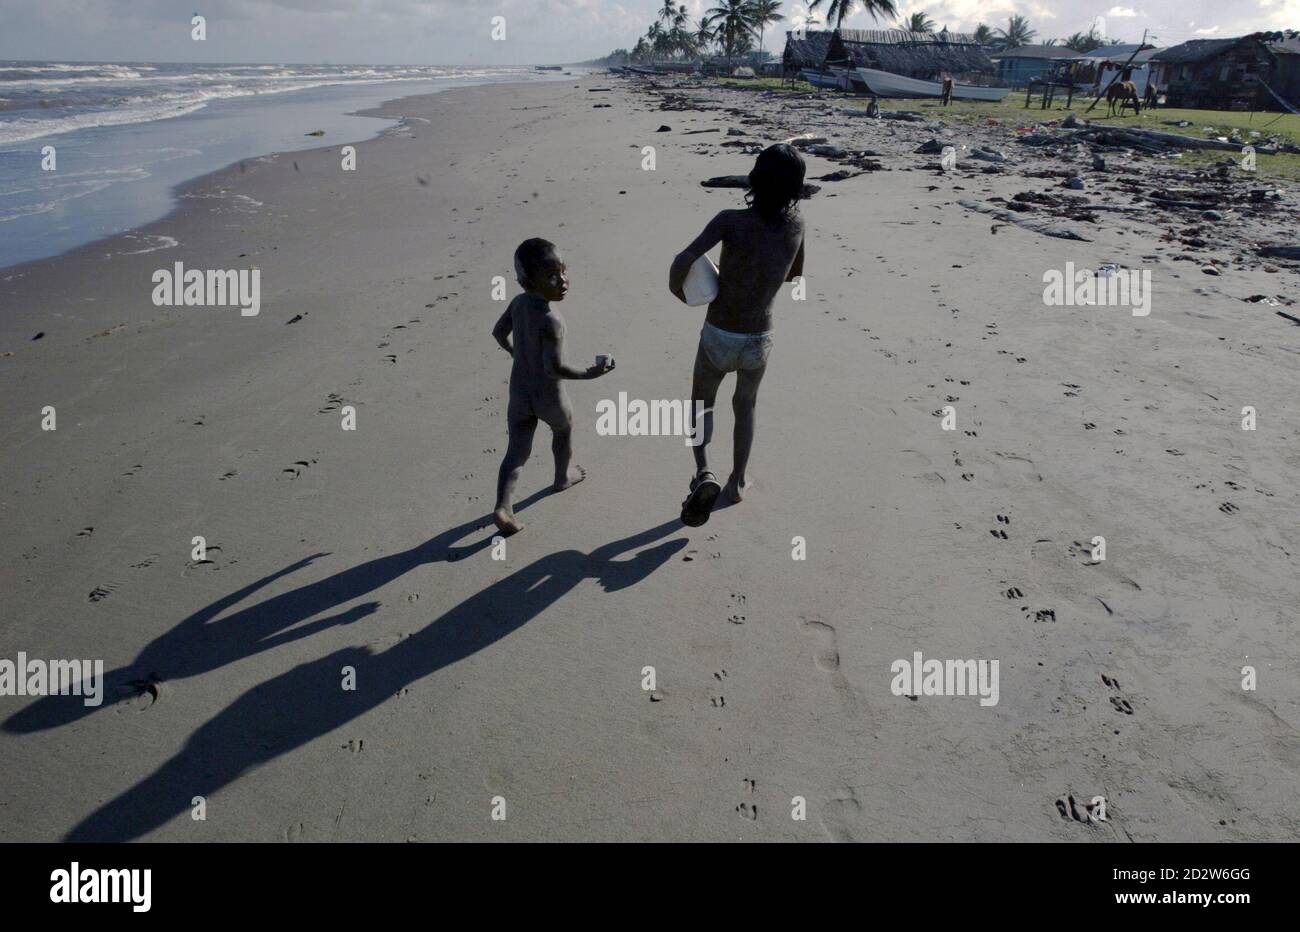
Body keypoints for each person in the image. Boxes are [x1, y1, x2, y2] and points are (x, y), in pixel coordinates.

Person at [668, 145, 807, 527]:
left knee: (701, 404)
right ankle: (738, 479)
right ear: (796, 188)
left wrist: (680, 291)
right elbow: (794, 275)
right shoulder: (798, 225)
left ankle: (704, 473)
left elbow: (683, 260)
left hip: (719, 333)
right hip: (759, 338)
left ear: (754, 179)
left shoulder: (730, 220)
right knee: (745, 405)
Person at [491, 238, 613, 535]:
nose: (562, 281)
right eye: (552, 276)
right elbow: (554, 368)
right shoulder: (552, 320)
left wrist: (514, 352)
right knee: (563, 430)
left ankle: (503, 507)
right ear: (527, 280)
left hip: (519, 394)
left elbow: (498, 332)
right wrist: (590, 373)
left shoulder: (518, 304)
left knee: (516, 453)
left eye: (563, 271)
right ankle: (562, 476)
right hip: (549, 396)